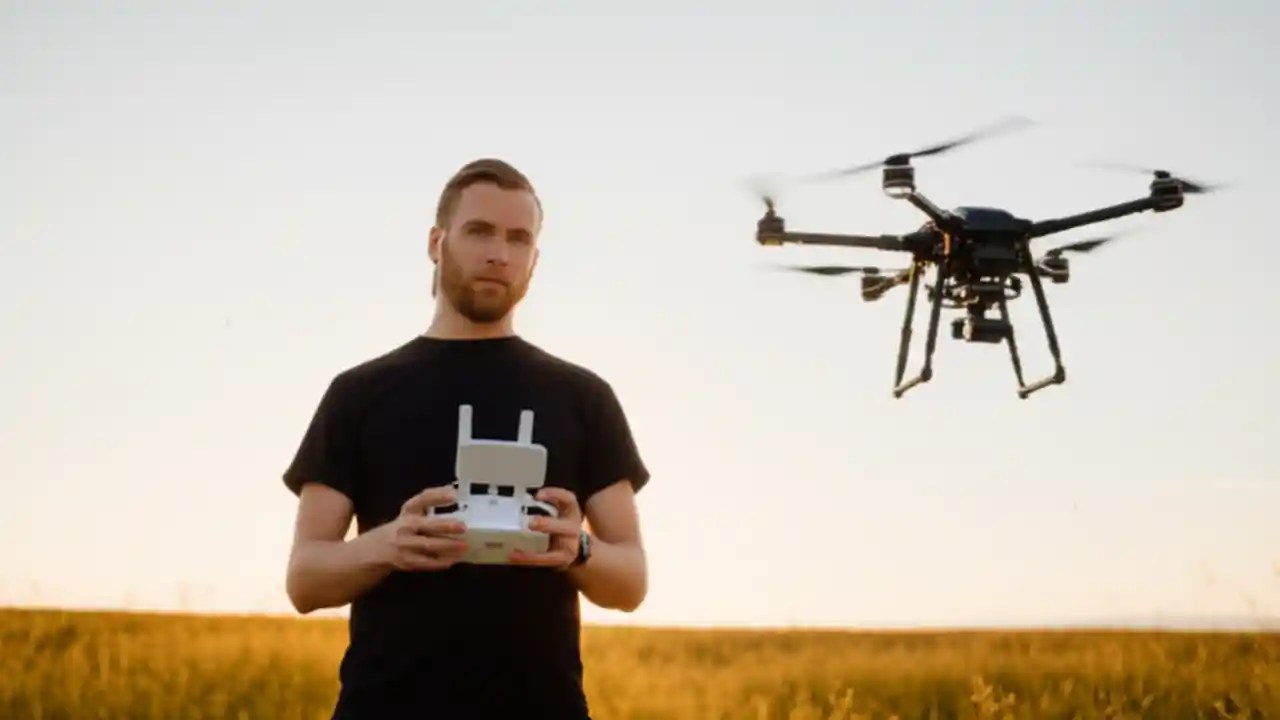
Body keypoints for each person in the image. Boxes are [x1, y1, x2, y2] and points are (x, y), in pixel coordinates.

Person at [281, 158, 650, 718]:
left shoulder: (584, 396)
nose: (500, 253)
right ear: (437, 242)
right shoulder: (357, 394)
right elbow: (304, 580)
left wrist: (575, 547)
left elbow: (631, 582)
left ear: (535, 259)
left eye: (519, 239)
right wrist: (390, 545)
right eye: (480, 231)